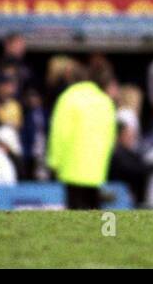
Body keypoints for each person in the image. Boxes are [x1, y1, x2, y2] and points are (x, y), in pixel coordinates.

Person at [46, 66, 117, 209]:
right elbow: (110, 138)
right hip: (96, 169)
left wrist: (54, 161)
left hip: (72, 167)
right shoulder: (105, 101)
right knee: (94, 211)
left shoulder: (68, 97)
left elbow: (60, 132)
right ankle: (103, 231)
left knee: (75, 212)